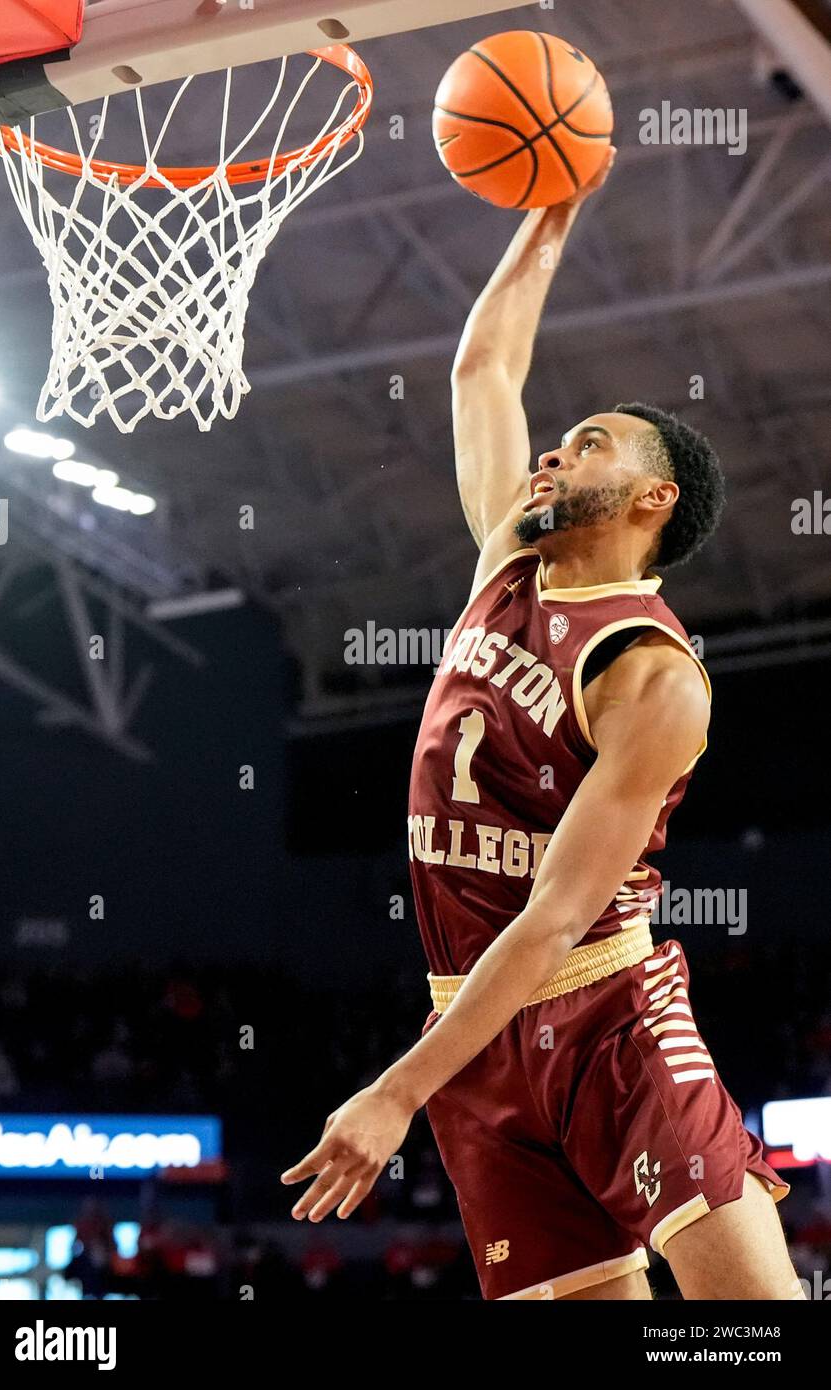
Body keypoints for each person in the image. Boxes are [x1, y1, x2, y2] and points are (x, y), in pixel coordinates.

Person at [282, 149, 803, 1301]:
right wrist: (550, 213)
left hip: (606, 1013)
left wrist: (393, 1091)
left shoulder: (648, 673)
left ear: (650, 501)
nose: (559, 449)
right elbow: (481, 366)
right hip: (471, 1029)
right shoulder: (503, 558)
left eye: (596, 444)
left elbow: (561, 914)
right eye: (563, 436)